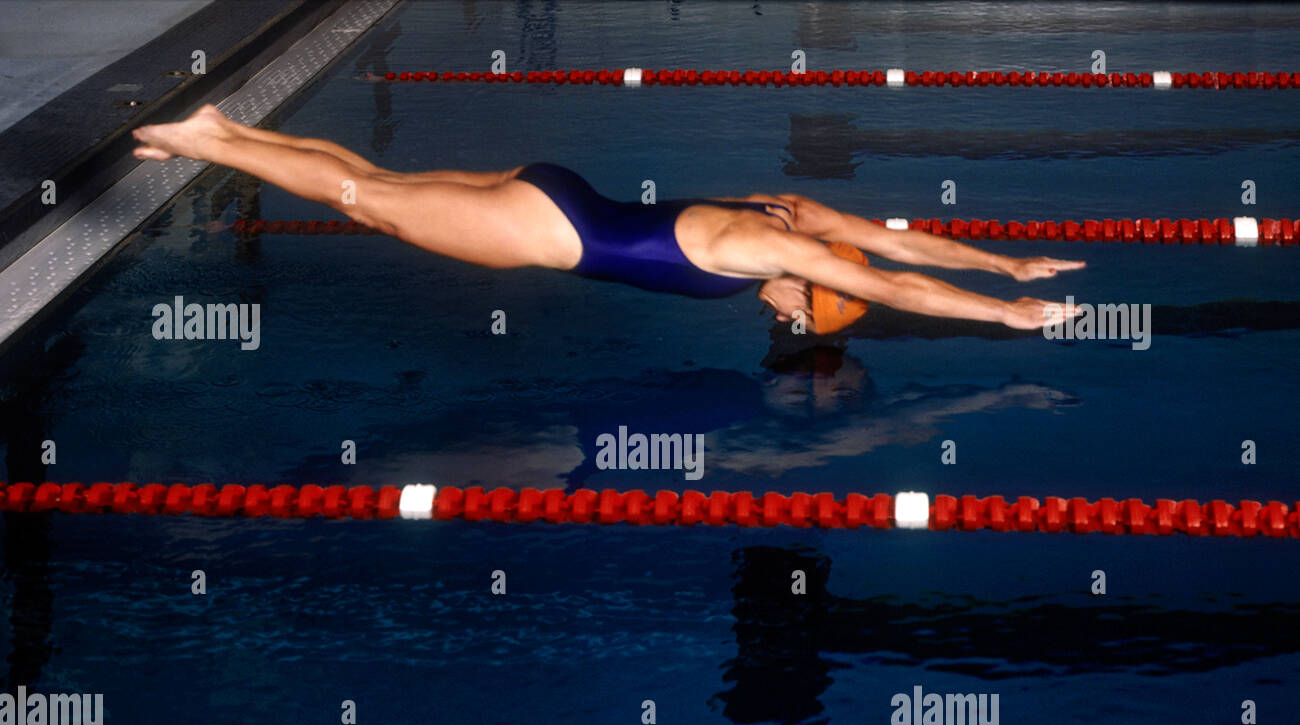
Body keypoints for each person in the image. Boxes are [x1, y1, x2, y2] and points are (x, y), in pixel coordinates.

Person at [133, 105, 1084, 334]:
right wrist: (1005, 315)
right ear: (812, 276)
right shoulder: (776, 246)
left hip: (562, 189)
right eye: (808, 308)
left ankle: (230, 128)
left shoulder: (795, 216)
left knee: (378, 190)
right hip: (549, 231)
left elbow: (897, 243)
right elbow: (893, 282)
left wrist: (1006, 265)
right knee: (363, 201)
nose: (793, 315)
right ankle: (204, 140)